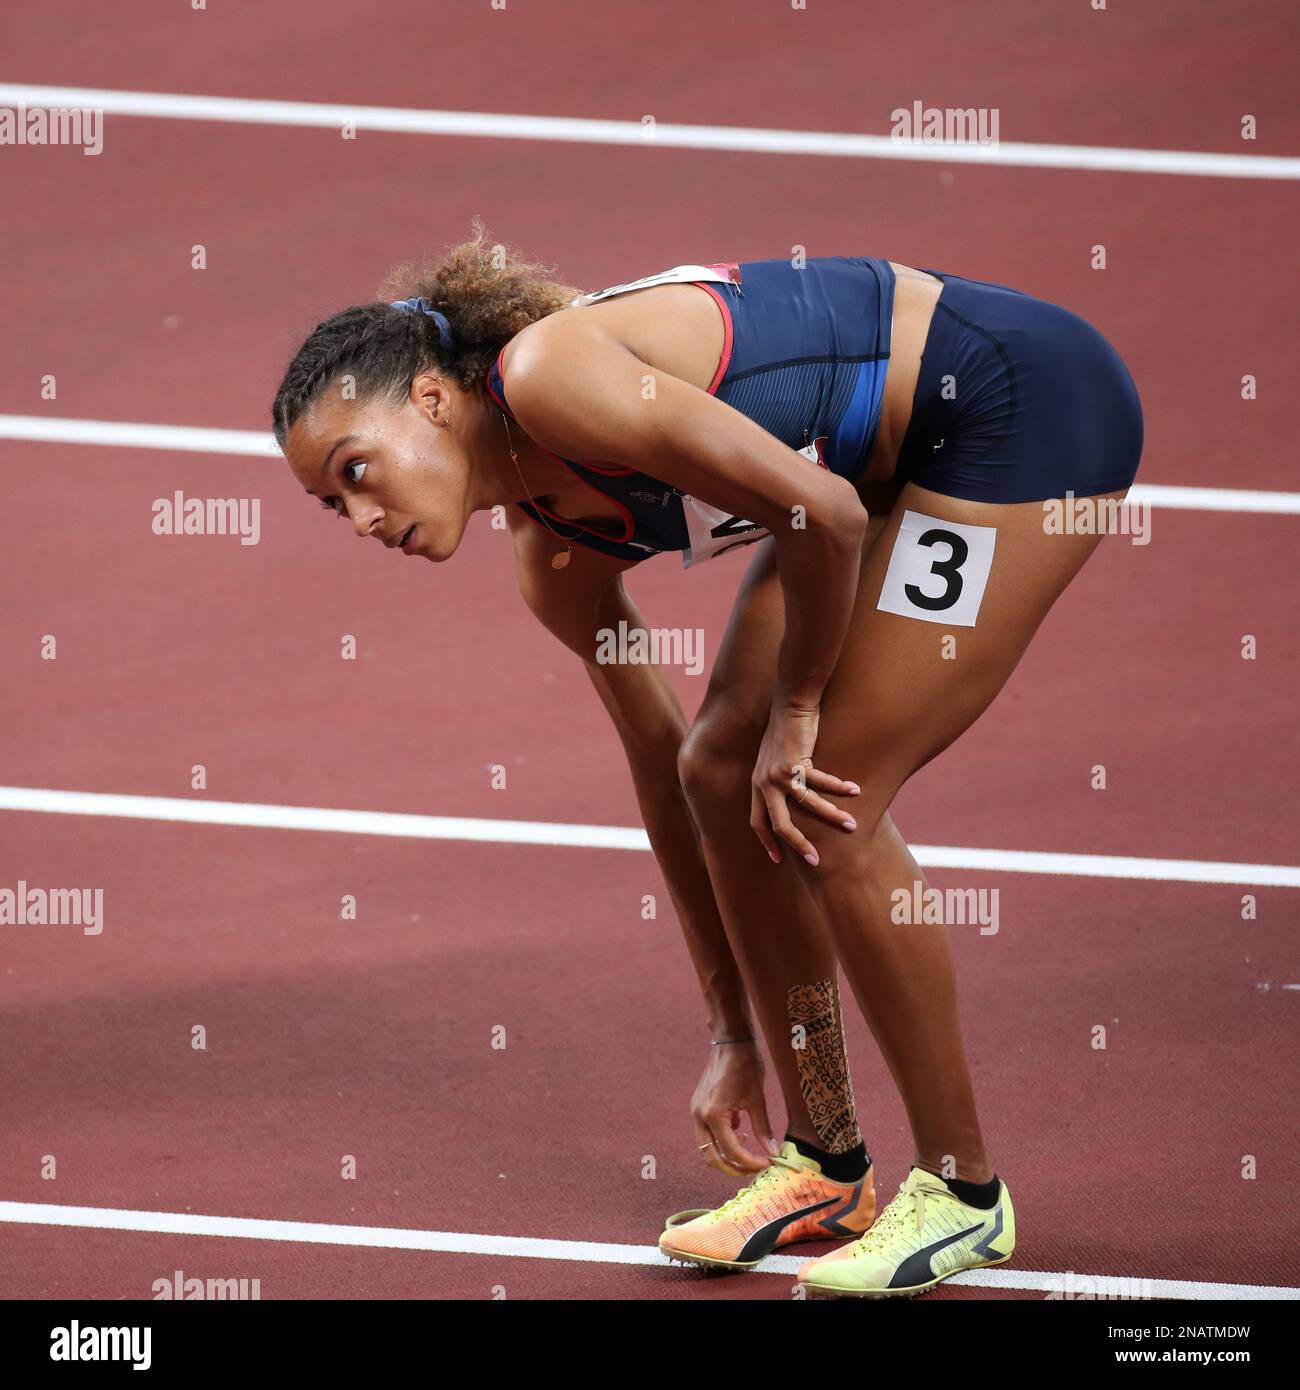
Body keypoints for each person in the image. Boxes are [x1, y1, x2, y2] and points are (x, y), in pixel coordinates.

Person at [272, 223, 1142, 1298]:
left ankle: (963, 1196)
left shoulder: (551, 378)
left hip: (1013, 405)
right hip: (864, 479)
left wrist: (799, 705)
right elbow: (665, 770)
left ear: (435, 403)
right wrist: (730, 1028)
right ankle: (824, 1160)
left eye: (357, 470)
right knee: (719, 775)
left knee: (827, 798)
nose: (360, 517)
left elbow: (816, 513)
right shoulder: (553, 558)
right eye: (331, 502)